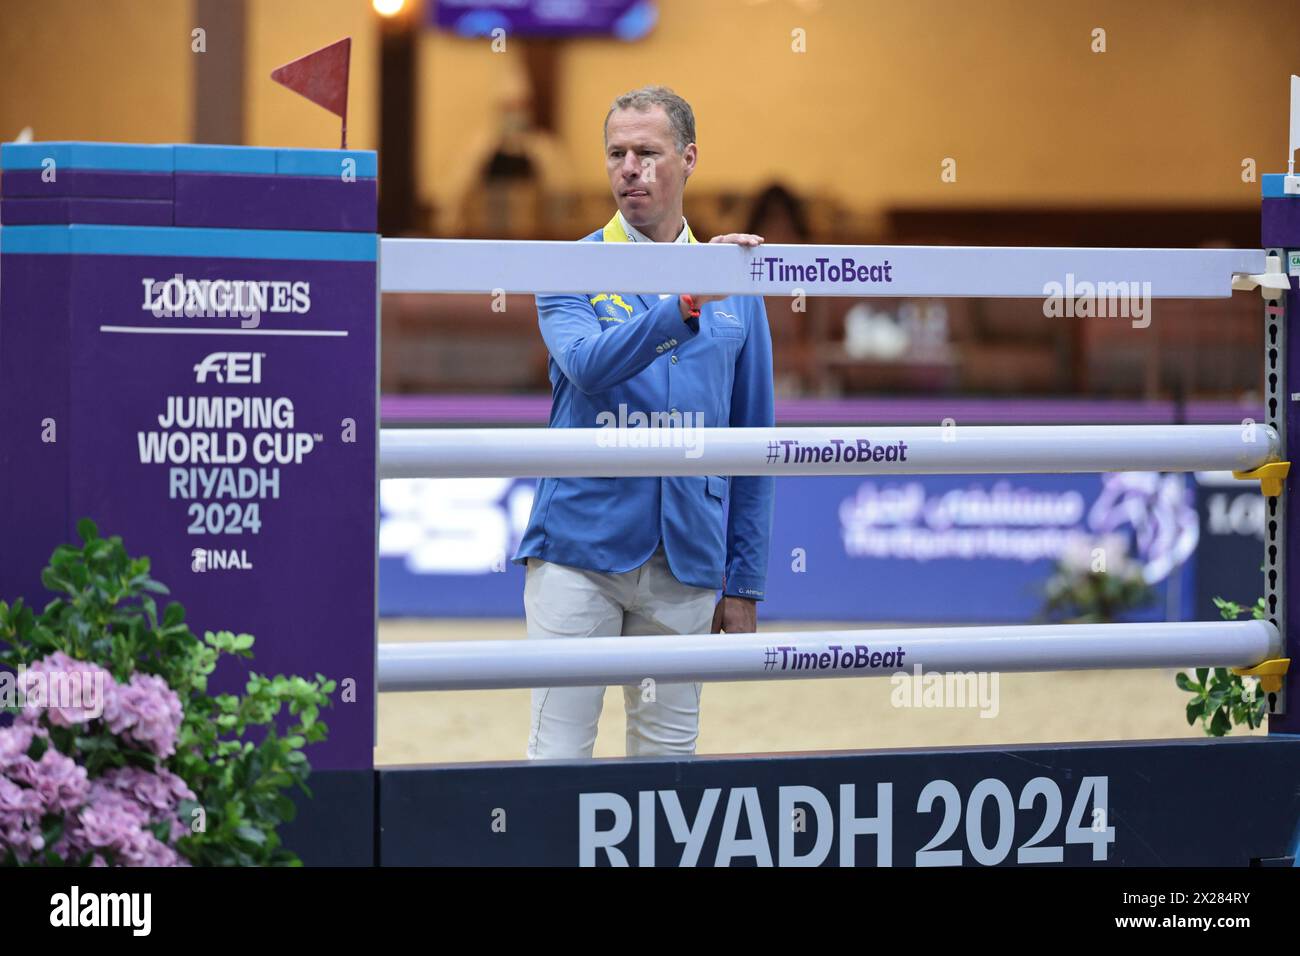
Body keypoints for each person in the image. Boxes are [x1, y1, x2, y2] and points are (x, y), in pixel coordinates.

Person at [513, 85, 775, 760]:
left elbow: (754, 439)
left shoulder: (737, 286)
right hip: (578, 549)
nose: (631, 168)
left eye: (648, 153)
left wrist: (743, 581)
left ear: (687, 160)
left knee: (665, 771)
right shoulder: (567, 268)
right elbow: (589, 364)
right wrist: (686, 299)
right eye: (617, 154)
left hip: (687, 557)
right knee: (556, 760)